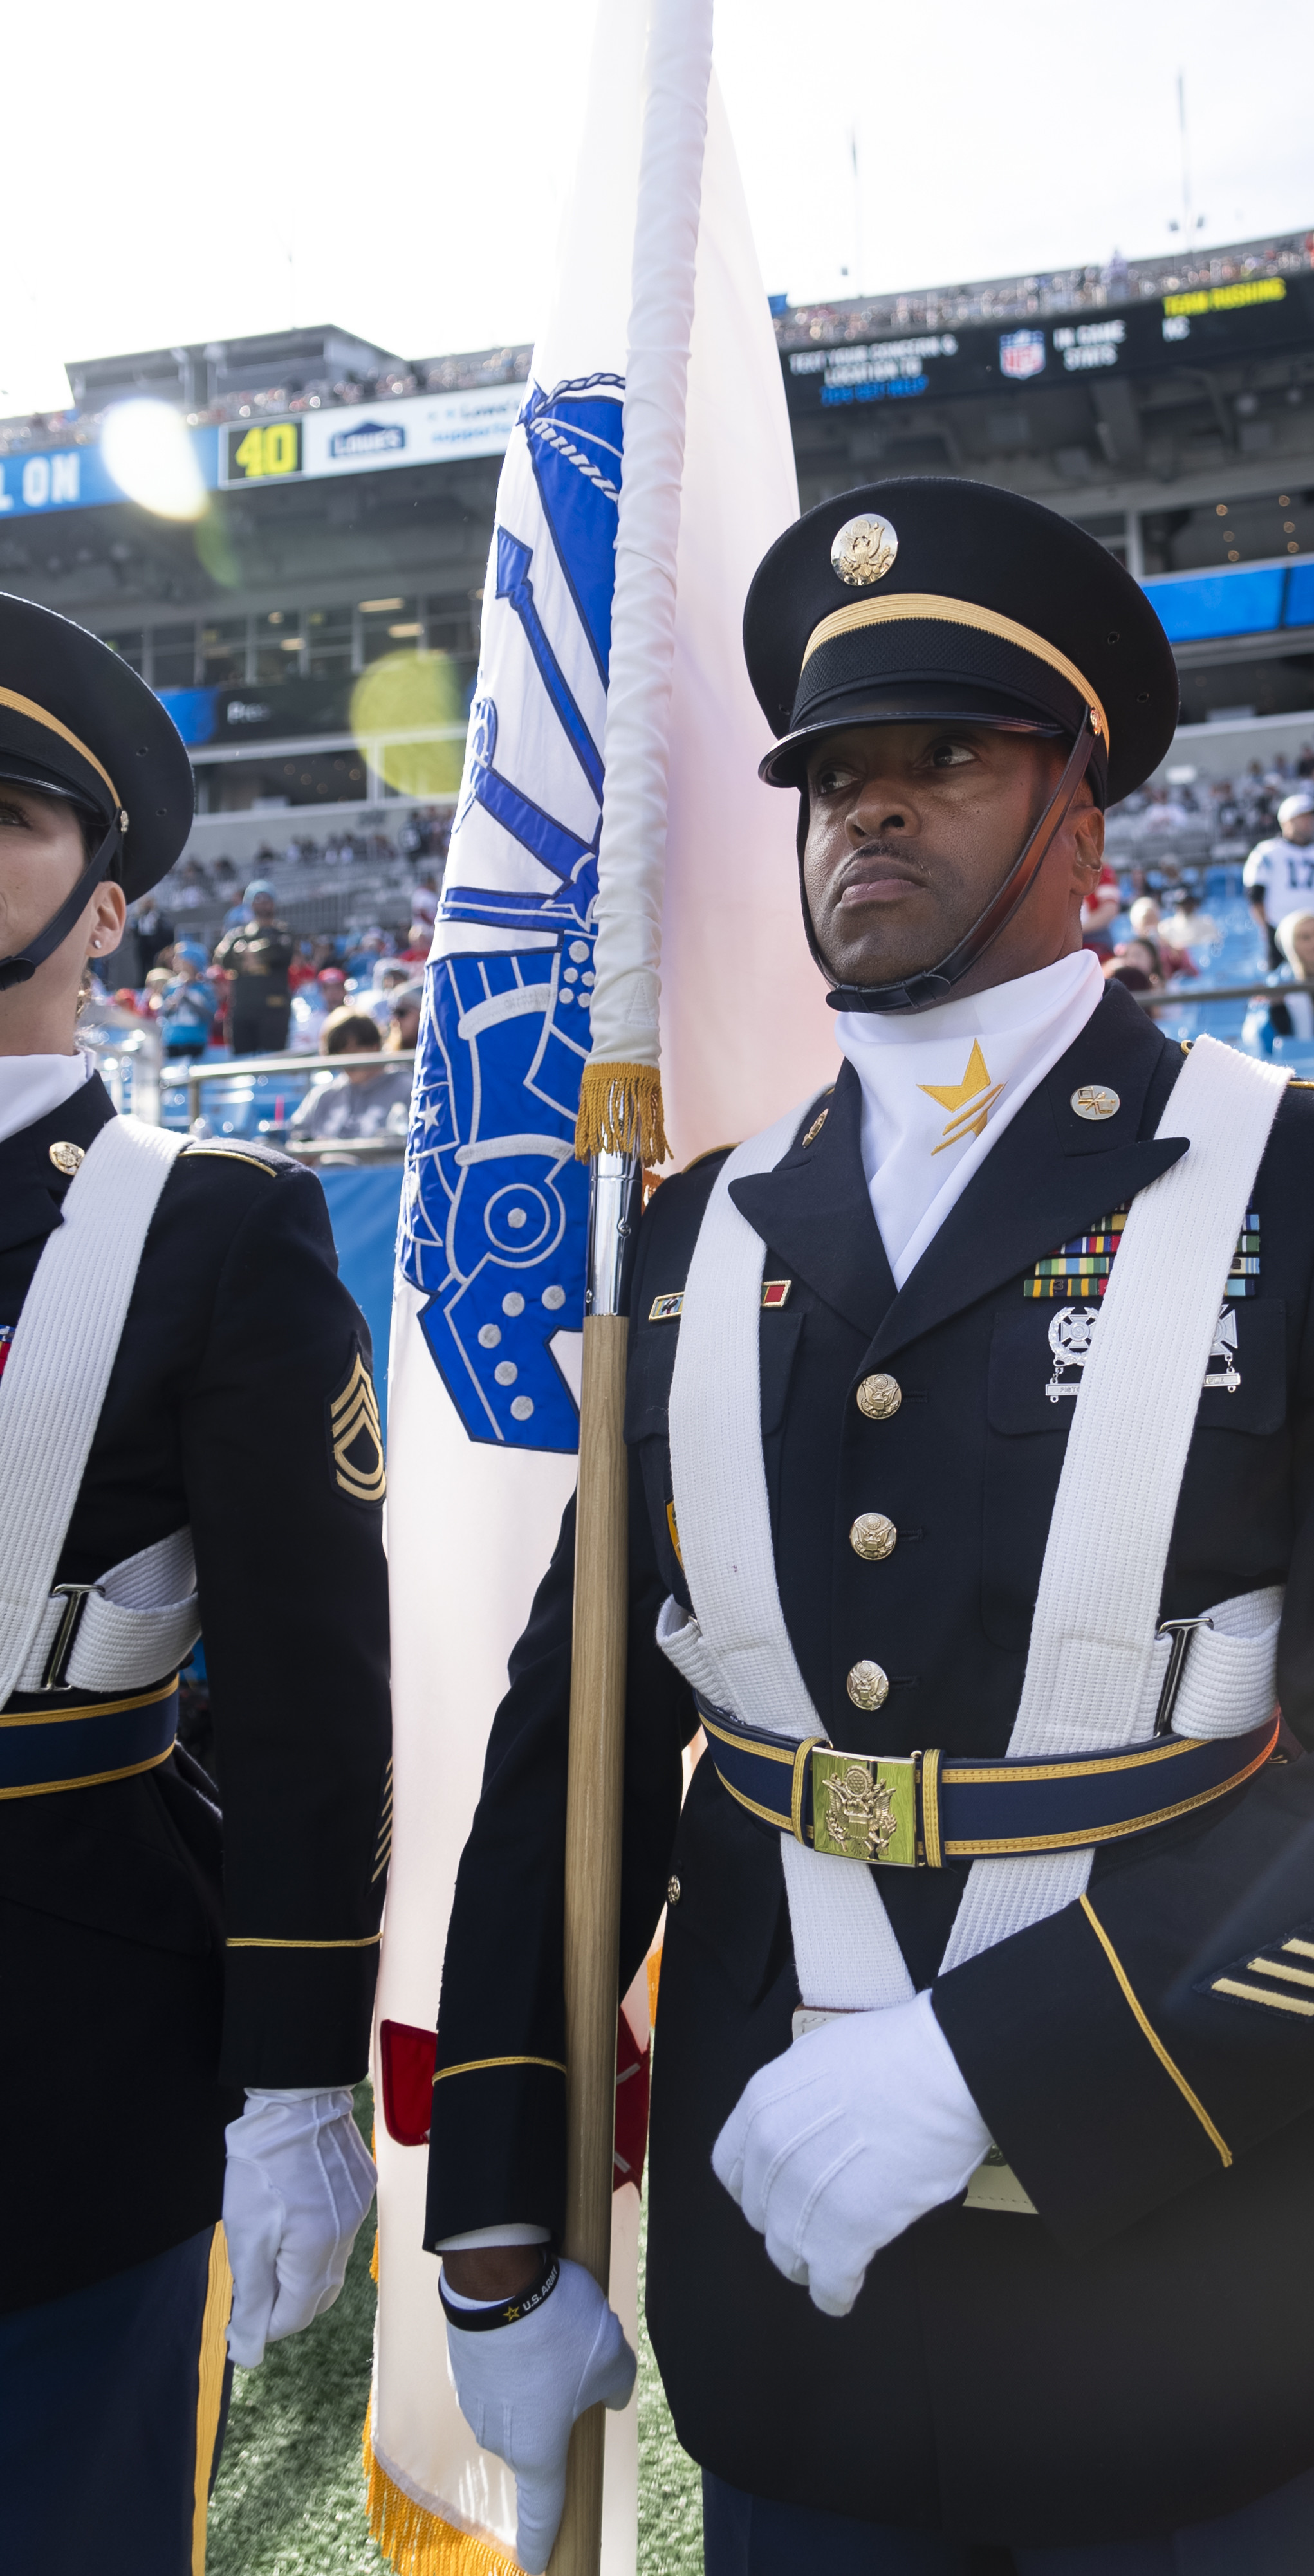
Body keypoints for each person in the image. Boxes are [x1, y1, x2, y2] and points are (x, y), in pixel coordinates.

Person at [424, 479, 1314, 2576]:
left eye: (940, 756)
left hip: (1188, 2304)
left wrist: (986, 2067)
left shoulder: (1310, 1193)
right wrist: (499, 2206)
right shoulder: (689, 1238)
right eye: (832, 776)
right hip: (794, 2328)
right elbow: (572, 1747)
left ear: (1079, 808)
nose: (868, 813)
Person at [0, 596, 393, 2575]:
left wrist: (297, 2070)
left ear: (109, 906)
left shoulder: (218, 1227)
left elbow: (318, 1692)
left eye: (4, 813)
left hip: (59, 2047)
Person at [287, 1004, 412, 1146]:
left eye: (353, 1050)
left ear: (374, 1047)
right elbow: (297, 1139)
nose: (346, 1060)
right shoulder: (323, 1095)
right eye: (340, 1052)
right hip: (324, 1169)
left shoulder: (407, 1088)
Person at [1242, 791, 1314, 966]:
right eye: (1303, 817)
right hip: (1279, 929)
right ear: (1286, 821)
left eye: (1311, 818)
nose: (1309, 823)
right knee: (1280, 983)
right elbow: (1255, 895)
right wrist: (1267, 928)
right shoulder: (1266, 851)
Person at [213, 881, 295, 1055]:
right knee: (243, 1064)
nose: (263, 902)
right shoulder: (237, 935)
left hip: (274, 1010)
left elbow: (280, 952)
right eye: (257, 898)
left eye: (267, 898)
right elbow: (223, 959)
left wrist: (246, 954)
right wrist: (259, 955)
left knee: (273, 1062)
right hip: (243, 1009)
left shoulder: (283, 933)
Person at [1243, 906, 1314, 1058]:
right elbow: (1260, 1042)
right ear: (1291, 945)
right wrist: (1276, 1010)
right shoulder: (1276, 985)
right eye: (1305, 937)